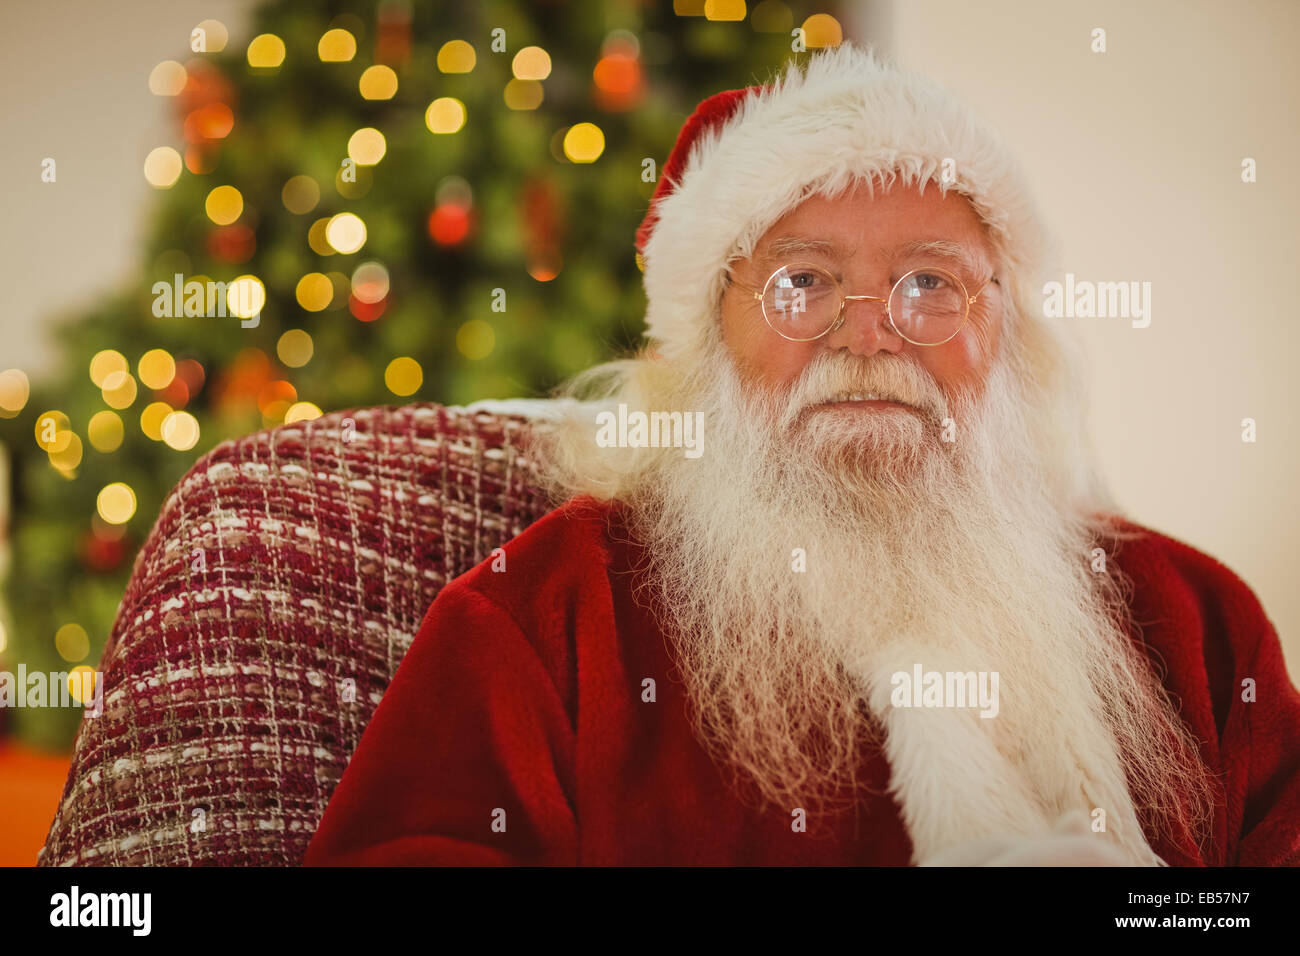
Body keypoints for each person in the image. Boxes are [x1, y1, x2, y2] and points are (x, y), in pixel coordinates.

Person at [303, 43, 1300, 866]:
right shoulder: (545, 617)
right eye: (803, 283)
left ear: (1006, 331)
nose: (869, 335)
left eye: (929, 284)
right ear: (704, 338)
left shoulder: (1197, 622)